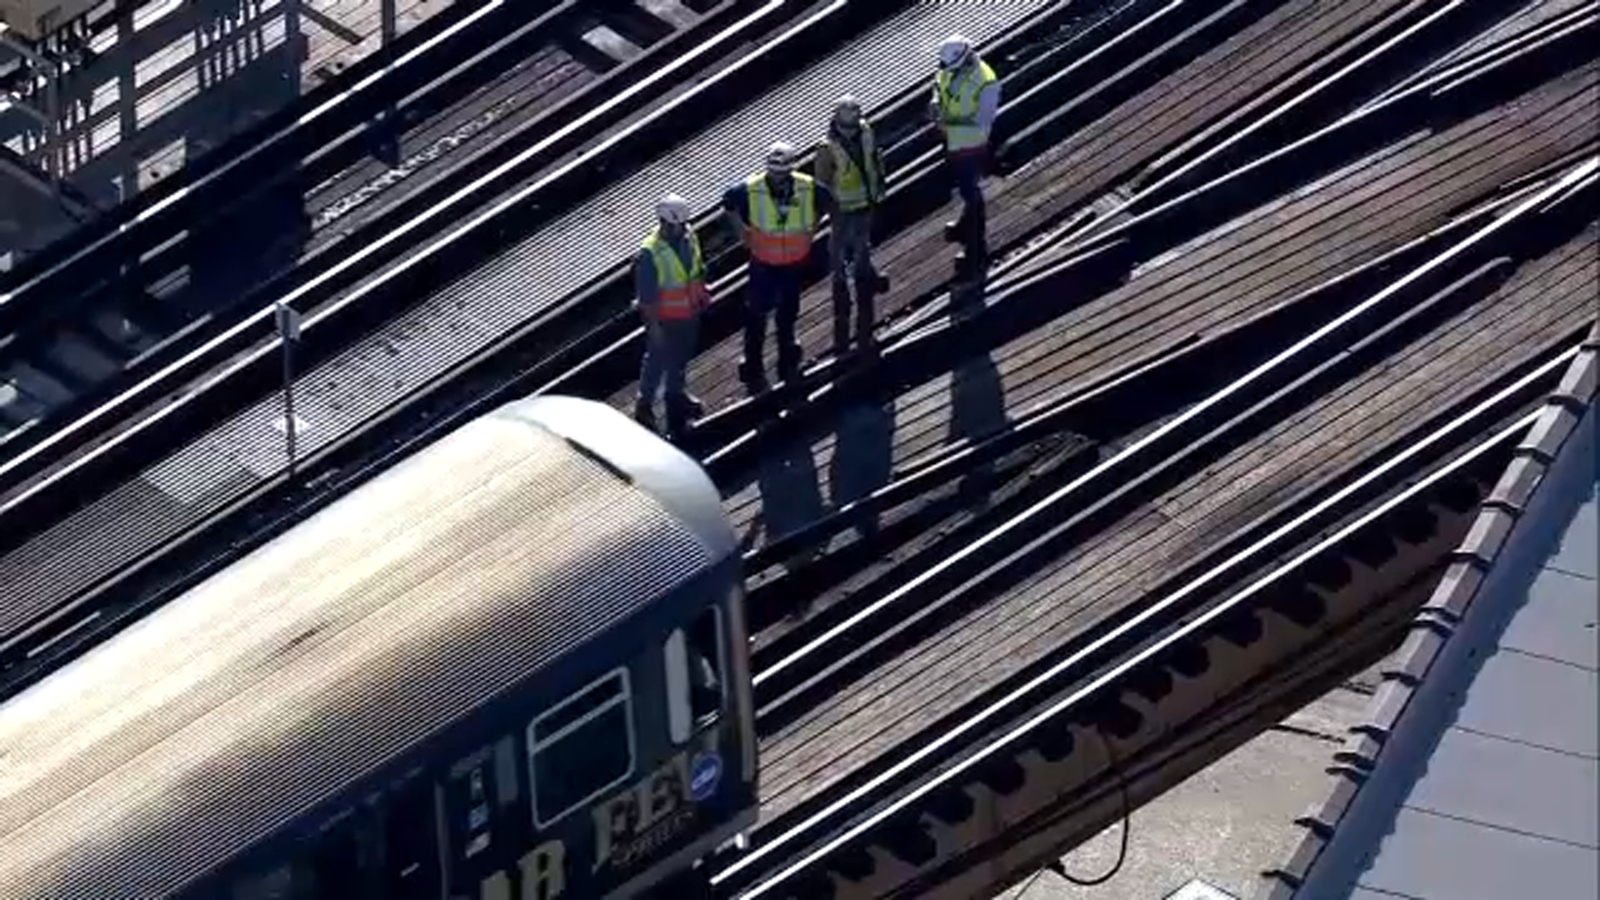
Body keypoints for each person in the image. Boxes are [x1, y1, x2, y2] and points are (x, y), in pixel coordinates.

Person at [721, 141, 832, 390]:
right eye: (774, 171)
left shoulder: (806, 187)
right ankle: (752, 364)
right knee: (756, 314)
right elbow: (728, 203)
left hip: (793, 260)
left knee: (788, 312)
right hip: (763, 261)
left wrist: (812, 227)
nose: (778, 177)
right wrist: (742, 232)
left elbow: (828, 202)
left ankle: (787, 357)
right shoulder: (750, 189)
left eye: (783, 172)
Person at [813, 94, 890, 354]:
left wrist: (880, 184)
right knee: (838, 247)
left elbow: (875, 160)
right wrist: (828, 208)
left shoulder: (866, 132)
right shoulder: (827, 148)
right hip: (842, 207)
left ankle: (864, 275)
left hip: (866, 200)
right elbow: (822, 183)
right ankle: (840, 285)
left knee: (863, 242)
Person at [634, 192, 708, 436]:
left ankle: (676, 395)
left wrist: (702, 291)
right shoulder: (650, 254)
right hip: (665, 319)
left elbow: (696, 269)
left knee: (680, 359)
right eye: (675, 225)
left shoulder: (689, 236)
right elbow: (647, 298)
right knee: (656, 361)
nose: (680, 229)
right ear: (664, 223)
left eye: (682, 224)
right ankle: (644, 405)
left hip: (689, 312)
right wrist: (653, 328)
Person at [930, 33, 1001, 269]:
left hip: (971, 144)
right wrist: (935, 102)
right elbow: (939, 82)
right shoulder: (951, 68)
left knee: (972, 194)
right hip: (952, 140)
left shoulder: (986, 81)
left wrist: (948, 128)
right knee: (964, 188)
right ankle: (963, 228)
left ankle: (976, 250)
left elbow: (982, 124)